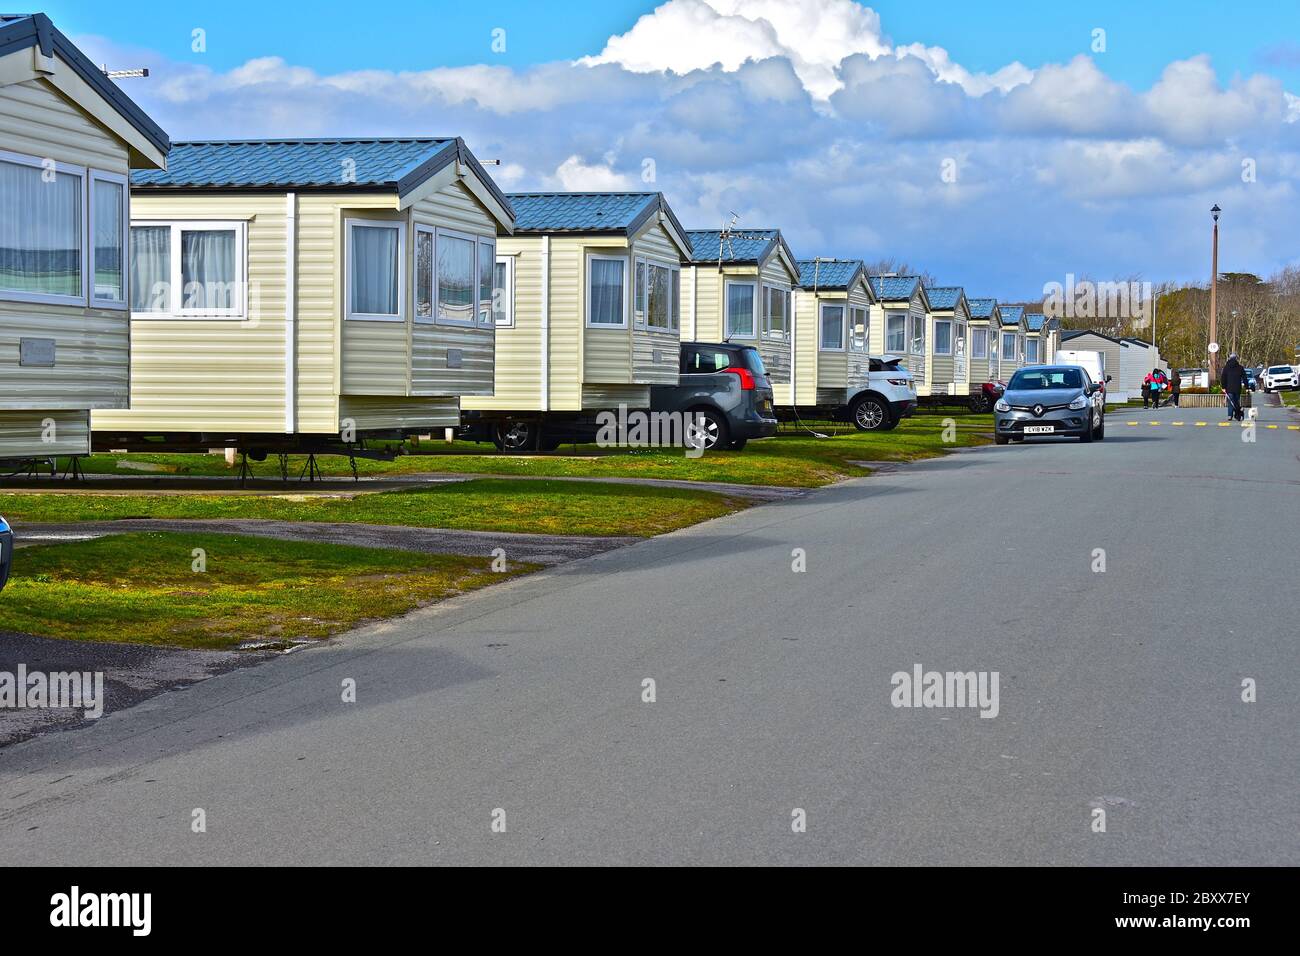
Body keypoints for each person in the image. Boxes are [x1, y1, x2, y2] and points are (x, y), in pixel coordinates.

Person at [1221, 353, 1246, 421]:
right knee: (1236, 401)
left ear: (1229, 358)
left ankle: (1230, 415)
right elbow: (1244, 377)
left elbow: (1223, 377)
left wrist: (1223, 387)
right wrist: (1246, 386)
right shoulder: (1240, 367)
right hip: (1237, 387)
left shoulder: (1226, 367)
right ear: (1236, 359)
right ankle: (1238, 413)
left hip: (1229, 388)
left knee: (1231, 402)